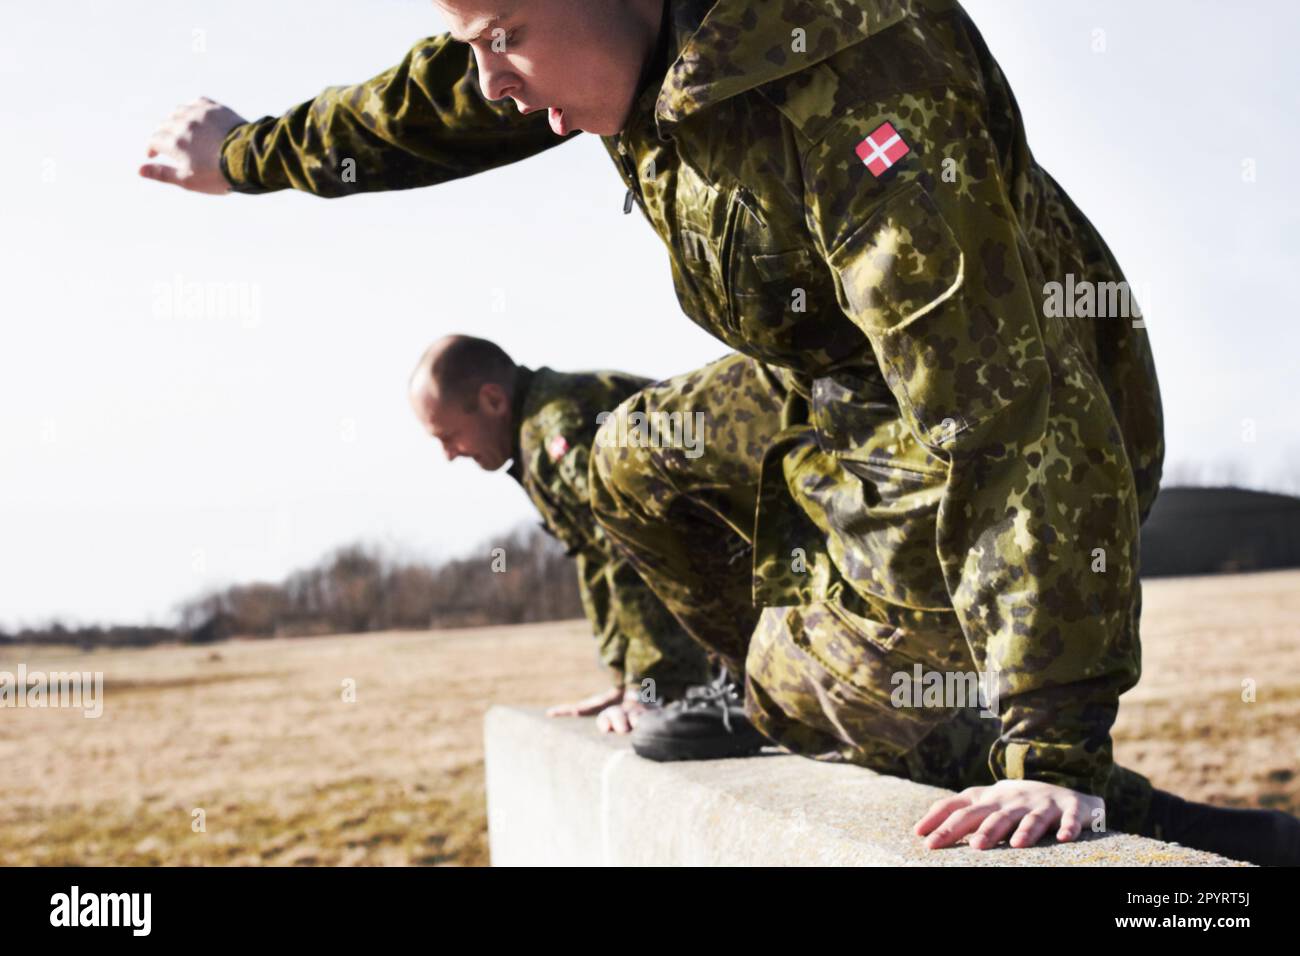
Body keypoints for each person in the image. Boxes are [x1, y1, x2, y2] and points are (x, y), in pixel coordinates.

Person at [140, 0, 1300, 863]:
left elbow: (1006, 408)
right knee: (619, 459)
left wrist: (1057, 748)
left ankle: (1183, 835)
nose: (491, 84)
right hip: (833, 389)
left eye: (503, 37)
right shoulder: (604, 38)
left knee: (850, 699)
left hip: (1000, 417)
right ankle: (759, 682)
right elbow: (430, 102)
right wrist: (246, 158)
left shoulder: (863, 89)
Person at [407, 333, 711, 732]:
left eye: (448, 436)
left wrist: (654, 689)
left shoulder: (562, 428)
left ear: (493, 401)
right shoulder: (536, 431)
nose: (449, 454)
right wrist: (626, 683)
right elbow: (596, 558)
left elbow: (635, 541)